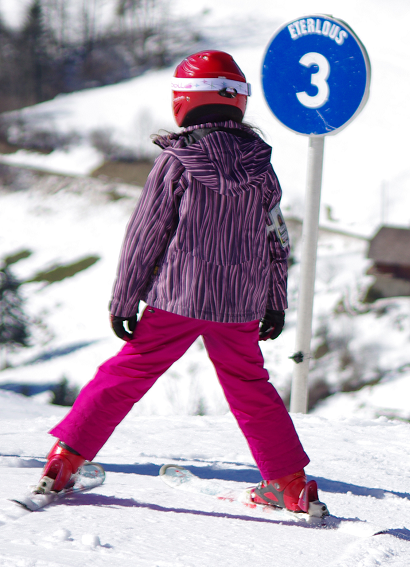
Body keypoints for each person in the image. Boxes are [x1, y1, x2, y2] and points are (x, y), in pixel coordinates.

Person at [35, 50, 327, 518]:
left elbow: (145, 233)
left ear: (183, 100)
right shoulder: (261, 168)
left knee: (126, 374)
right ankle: (291, 486)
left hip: (178, 297)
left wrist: (125, 298)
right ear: (238, 103)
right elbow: (276, 237)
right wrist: (274, 301)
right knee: (252, 388)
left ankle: (64, 462)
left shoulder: (178, 160)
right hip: (240, 304)